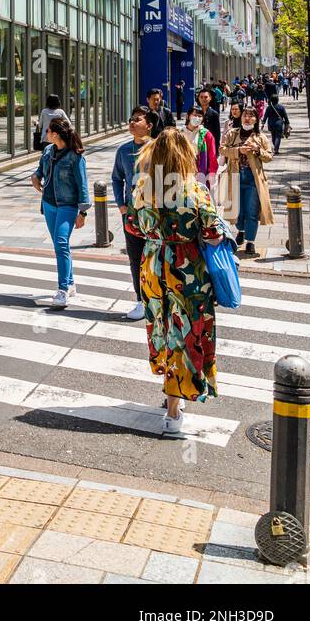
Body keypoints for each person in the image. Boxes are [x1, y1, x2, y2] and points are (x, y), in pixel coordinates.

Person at [128, 129, 224, 438]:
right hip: (187, 269)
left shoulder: (142, 189)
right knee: (186, 332)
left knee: (162, 326)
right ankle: (173, 409)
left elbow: (132, 226)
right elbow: (212, 232)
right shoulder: (194, 191)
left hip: (154, 264)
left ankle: (169, 387)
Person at [31, 117, 91, 310]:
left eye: (47, 130)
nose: (45, 133)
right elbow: (40, 170)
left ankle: (63, 290)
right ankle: (71, 283)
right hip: (49, 204)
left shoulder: (75, 156)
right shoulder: (48, 151)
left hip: (68, 205)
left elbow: (82, 186)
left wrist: (83, 212)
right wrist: (35, 177)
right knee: (59, 245)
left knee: (61, 244)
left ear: (55, 134)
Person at [110, 107, 151, 321]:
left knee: (155, 257)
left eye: (138, 119)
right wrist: (121, 205)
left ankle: (157, 297)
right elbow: (116, 178)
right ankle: (141, 299)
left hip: (154, 214)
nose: (132, 123)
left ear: (149, 125)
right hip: (132, 214)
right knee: (135, 258)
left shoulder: (156, 149)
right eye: (131, 119)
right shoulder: (123, 151)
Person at [219, 108, 274, 258]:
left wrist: (257, 150)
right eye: (245, 115)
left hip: (253, 179)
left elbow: (269, 156)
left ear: (256, 119)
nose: (247, 118)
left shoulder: (260, 137)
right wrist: (238, 150)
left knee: (251, 211)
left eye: (251, 116)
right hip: (235, 177)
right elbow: (222, 149)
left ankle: (250, 241)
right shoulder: (232, 133)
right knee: (238, 211)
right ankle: (241, 231)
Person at [182, 106, 218, 191]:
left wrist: (212, 174)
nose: (197, 118)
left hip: (201, 173)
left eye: (200, 116)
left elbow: (212, 157)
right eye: (194, 115)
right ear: (188, 116)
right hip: (183, 172)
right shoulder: (180, 134)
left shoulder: (206, 135)